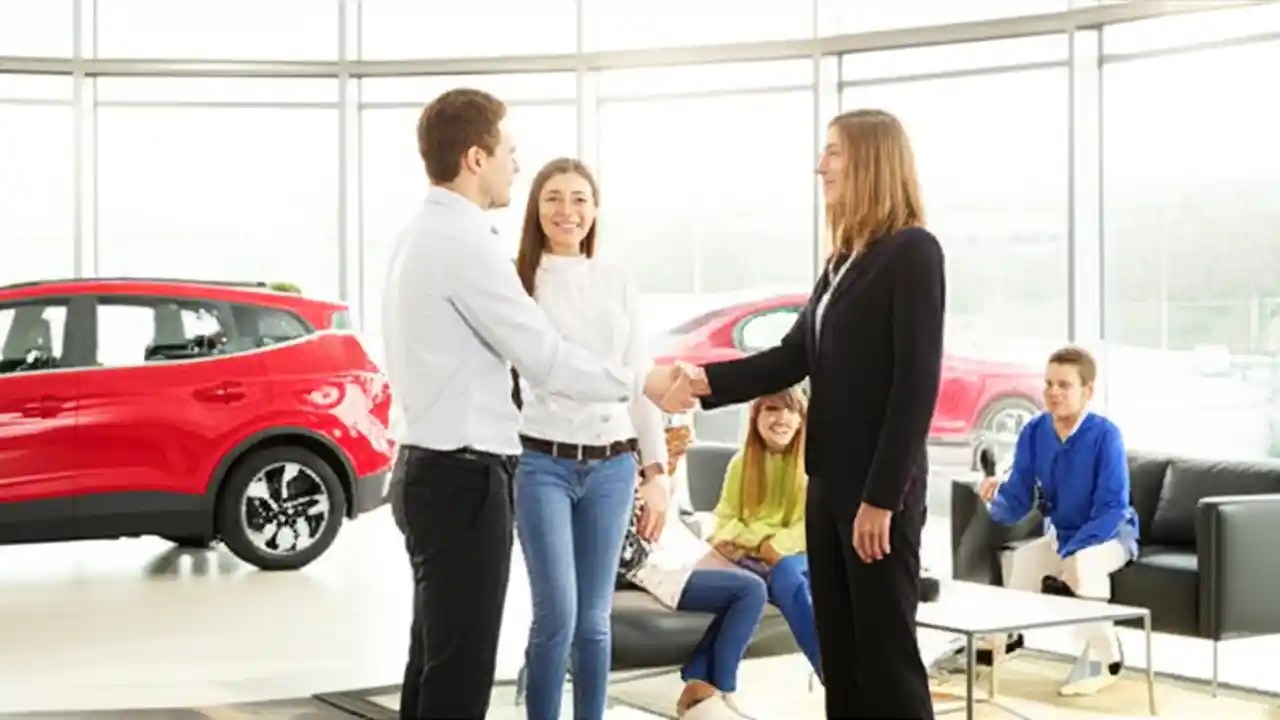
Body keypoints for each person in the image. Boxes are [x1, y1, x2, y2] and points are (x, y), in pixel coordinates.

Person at [380, 88, 695, 720]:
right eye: (509, 152)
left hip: (427, 466)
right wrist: (641, 382)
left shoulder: (420, 231)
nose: (514, 167)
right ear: (476, 157)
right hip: (462, 474)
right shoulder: (466, 244)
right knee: (460, 670)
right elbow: (543, 356)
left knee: (434, 657)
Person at [677, 108, 943, 718]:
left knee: (886, 657)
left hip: (876, 494)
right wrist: (701, 382)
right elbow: (789, 358)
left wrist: (881, 498)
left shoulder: (913, 253)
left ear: (872, 162)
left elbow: (915, 387)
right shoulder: (841, 262)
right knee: (842, 658)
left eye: (834, 153)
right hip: (825, 488)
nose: (820, 166)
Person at [510, 158, 671, 720]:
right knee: (556, 615)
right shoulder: (518, 279)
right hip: (541, 464)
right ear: (536, 207)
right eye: (554, 198)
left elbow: (639, 378)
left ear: (595, 210)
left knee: (594, 622)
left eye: (579, 199)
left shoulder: (616, 280)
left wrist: (658, 473)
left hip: (612, 466)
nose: (567, 211)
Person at [978, 345, 1139, 696]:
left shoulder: (1105, 435)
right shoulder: (1034, 432)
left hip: (1110, 536)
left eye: (1064, 385)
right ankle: (1006, 640)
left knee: (1084, 565)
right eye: (1049, 383)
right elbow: (1018, 499)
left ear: (1088, 390)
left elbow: (1113, 507)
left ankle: (1105, 660)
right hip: (1061, 535)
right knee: (1021, 564)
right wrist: (995, 498)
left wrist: (1073, 550)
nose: (1053, 392)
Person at [618, 424, 768, 720]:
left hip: (666, 556)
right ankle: (717, 689)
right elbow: (642, 538)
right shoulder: (624, 467)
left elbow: (672, 525)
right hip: (644, 565)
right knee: (750, 591)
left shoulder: (655, 475)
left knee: (752, 586)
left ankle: (701, 688)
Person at [709, 387, 821, 676]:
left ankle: (830, 673)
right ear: (755, 417)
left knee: (785, 573)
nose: (781, 419)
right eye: (771, 409)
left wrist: (772, 548)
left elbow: (809, 526)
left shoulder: (814, 465)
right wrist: (760, 545)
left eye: (791, 411)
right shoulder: (739, 464)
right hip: (751, 559)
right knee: (741, 589)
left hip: (800, 557)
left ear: (801, 419)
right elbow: (724, 522)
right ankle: (708, 686)